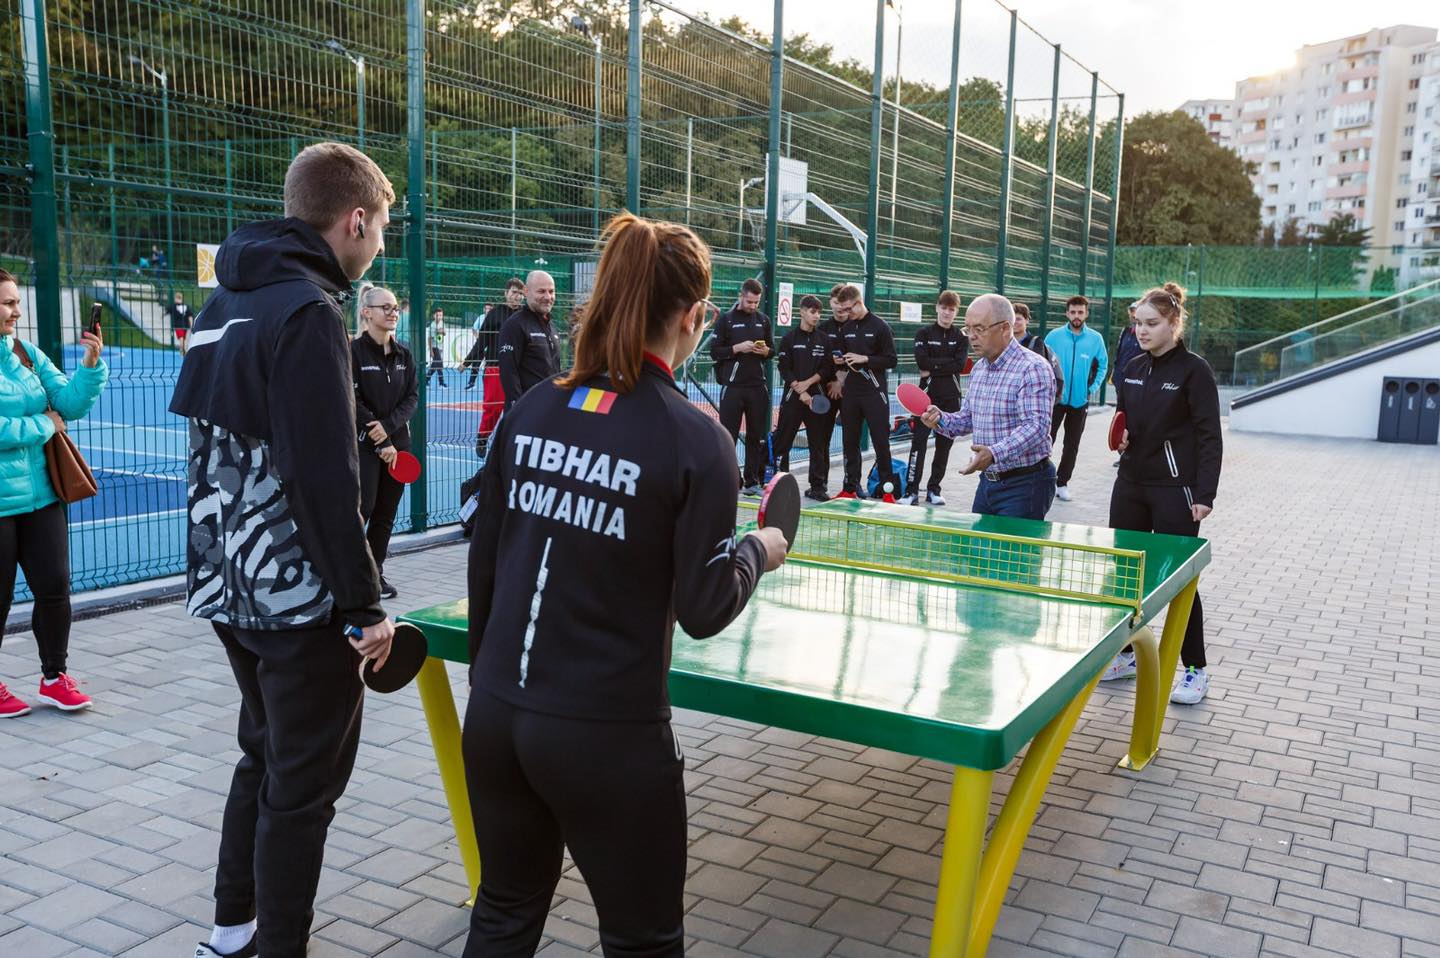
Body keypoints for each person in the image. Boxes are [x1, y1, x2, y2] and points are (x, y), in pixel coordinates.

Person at [461, 212, 788, 957]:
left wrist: (490, 679)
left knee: (504, 913)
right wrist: (758, 551)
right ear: (693, 315)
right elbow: (704, 608)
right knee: (643, 940)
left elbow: (487, 560)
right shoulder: (698, 439)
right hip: (607, 736)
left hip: (498, 716)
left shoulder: (534, 408)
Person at [168, 142, 396, 958]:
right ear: (355, 218)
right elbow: (323, 476)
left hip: (228, 586)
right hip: (298, 601)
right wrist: (364, 603)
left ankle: (232, 934)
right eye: (382, 228)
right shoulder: (305, 314)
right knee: (301, 791)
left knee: (261, 761)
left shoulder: (223, 301)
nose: (380, 248)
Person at [1100, 282, 1222, 704]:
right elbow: (1126, 419)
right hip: (1131, 484)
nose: (1142, 331)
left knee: (1178, 583)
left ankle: (1194, 669)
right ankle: (1130, 655)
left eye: (1151, 323)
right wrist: (1123, 438)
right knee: (1126, 574)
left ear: (1174, 322)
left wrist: (1205, 493)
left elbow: (1210, 436)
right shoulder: (1132, 366)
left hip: (1176, 490)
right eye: (1137, 324)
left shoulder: (1195, 370)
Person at [0, 269, 108, 719]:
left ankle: (54, 677)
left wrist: (89, 367)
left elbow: (66, 404)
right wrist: (44, 425)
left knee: (55, 589)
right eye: (7, 303)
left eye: (16, 301)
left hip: (43, 497)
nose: (17, 311)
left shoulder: (25, 352)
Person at [920, 294, 1056, 519]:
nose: (972, 337)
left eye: (979, 329)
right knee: (982, 553)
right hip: (988, 483)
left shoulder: (1032, 368)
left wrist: (994, 453)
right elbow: (968, 419)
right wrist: (940, 419)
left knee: (1014, 554)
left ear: (1005, 328)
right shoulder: (979, 369)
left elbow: (1037, 427)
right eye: (968, 329)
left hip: (1025, 484)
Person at [352, 283, 418, 601]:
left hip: (398, 445)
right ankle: (352, 574)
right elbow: (352, 398)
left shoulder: (404, 354)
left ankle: (374, 575)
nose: (393, 312)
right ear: (367, 313)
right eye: (386, 308)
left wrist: (388, 431)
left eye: (395, 308)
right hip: (364, 445)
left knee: (386, 514)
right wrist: (378, 439)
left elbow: (411, 399)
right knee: (363, 508)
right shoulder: (353, 352)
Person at [832, 284, 898, 499]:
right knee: (849, 441)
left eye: (849, 309)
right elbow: (842, 355)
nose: (846, 314)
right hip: (852, 392)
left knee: (881, 441)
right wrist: (839, 360)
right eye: (843, 310)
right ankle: (850, 487)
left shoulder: (880, 326)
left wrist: (866, 359)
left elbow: (891, 360)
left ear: (859, 303)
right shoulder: (847, 328)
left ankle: (888, 491)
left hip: (874, 392)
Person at [708, 279, 773, 495]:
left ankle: (752, 481)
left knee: (756, 436)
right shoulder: (727, 320)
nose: (753, 306)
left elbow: (771, 351)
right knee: (728, 436)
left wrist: (764, 352)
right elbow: (715, 351)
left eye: (756, 302)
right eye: (749, 301)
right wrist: (737, 348)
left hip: (757, 387)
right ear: (740, 296)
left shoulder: (763, 321)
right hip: (733, 387)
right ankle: (728, 478)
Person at [905, 290, 969, 506]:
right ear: (937, 308)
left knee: (944, 447)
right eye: (944, 308)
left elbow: (959, 365)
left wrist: (933, 366)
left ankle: (934, 489)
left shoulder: (960, 337)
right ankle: (910, 492)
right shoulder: (923, 333)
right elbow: (922, 362)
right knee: (918, 444)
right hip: (924, 399)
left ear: (956, 312)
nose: (947, 313)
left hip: (950, 399)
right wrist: (943, 364)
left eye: (952, 309)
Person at [1044, 294, 1107, 503]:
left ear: (1086, 313)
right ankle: (1043, 480)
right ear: (1067, 313)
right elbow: (1042, 363)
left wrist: (1093, 387)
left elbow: (1103, 365)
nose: (1076, 316)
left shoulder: (1096, 339)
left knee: (1072, 444)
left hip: (1080, 401)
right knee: (1045, 440)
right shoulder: (1053, 336)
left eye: (1080, 312)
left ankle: (1062, 483)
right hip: (1055, 401)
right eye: (1073, 312)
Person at [771, 294, 833, 498]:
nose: (816, 316)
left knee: (818, 444)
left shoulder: (823, 339)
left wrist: (808, 385)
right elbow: (784, 368)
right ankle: (780, 484)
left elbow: (826, 368)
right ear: (802, 312)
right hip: (793, 397)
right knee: (783, 442)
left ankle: (817, 487)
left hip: (815, 398)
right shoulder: (789, 338)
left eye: (819, 313)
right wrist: (800, 389)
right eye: (813, 312)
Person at [809, 282, 852, 499]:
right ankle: (819, 485)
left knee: (851, 439)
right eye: (836, 303)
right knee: (821, 438)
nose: (840, 308)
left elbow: (862, 357)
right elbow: (817, 361)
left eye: (844, 304)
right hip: (826, 390)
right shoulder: (822, 329)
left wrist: (841, 380)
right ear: (831, 302)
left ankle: (852, 485)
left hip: (850, 391)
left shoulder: (857, 327)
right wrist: (833, 376)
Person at [496, 270, 561, 411]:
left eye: (551, 291)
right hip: (527, 412)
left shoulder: (552, 327)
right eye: (541, 291)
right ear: (526, 291)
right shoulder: (514, 325)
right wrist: (518, 410)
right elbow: (509, 374)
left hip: (550, 409)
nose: (547, 297)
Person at [465, 277, 523, 390]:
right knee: (492, 406)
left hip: (519, 369)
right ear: (506, 293)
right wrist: (467, 362)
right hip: (495, 367)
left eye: (521, 293)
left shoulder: (525, 315)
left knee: (518, 406)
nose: (518, 296)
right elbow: (482, 341)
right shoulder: (494, 313)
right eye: (514, 292)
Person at [1012, 302, 1062, 392]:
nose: (1015, 322)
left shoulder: (1036, 343)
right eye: (1012, 319)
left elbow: (1039, 372)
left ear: (1027, 320)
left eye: (1018, 319)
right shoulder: (1004, 343)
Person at [425, 308, 448, 387]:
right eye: (437, 315)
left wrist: (441, 331)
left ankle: (426, 379)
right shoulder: (433, 325)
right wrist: (431, 350)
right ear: (434, 316)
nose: (439, 317)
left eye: (441, 315)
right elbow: (429, 339)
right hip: (435, 347)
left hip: (440, 346)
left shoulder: (442, 323)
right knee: (439, 365)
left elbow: (444, 332)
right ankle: (441, 383)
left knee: (435, 365)